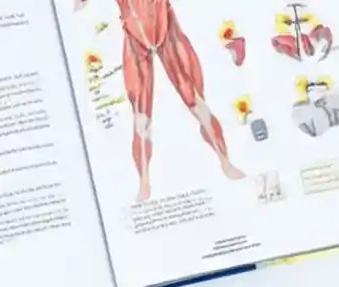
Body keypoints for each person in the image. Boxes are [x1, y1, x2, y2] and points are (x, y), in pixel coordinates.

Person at [76, 0, 245, 202]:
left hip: (165, 28)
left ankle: (224, 160)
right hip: (135, 36)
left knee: (195, 100)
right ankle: (144, 182)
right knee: (141, 117)